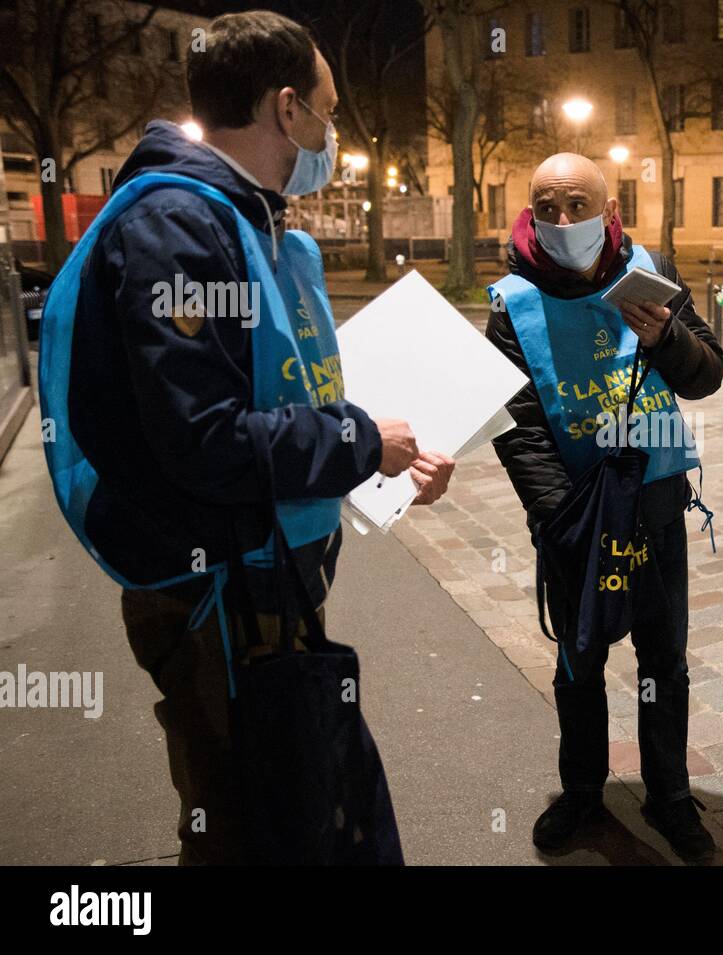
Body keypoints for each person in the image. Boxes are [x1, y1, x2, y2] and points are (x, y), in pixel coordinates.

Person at [40, 10, 453, 863]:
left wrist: (386, 453)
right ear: (288, 109)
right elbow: (208, 440)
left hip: (260, 584)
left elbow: (284, 390)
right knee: (244, 826)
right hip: (218, 598)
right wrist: (358, 443)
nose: (334, 134)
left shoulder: (241, 217)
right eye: (330, 113)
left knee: (294, 807)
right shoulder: (178, 229)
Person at [486, 153, 723, 862]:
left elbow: (708, 373)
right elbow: (518, 427)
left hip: (652, 501)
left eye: (578, 206)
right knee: (579, 659)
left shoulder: (647, 275)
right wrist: (560, 522)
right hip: (576, 515)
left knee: (663, 656)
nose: (563, 221)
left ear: (610, 210)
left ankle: (669, 793)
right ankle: (583, 792)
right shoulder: (513, 304)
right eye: (547, 207)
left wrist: (665, 336)